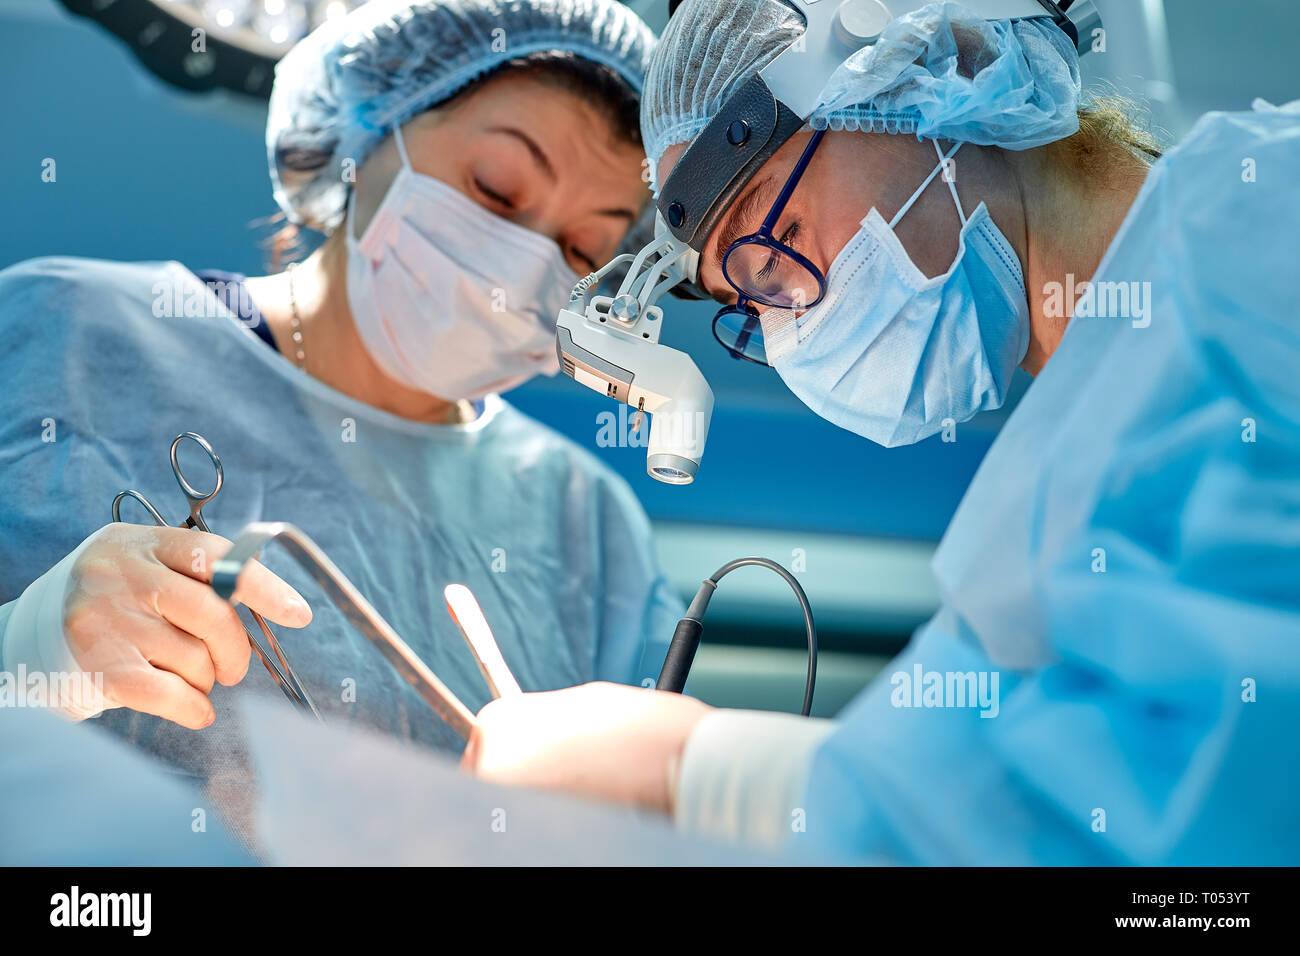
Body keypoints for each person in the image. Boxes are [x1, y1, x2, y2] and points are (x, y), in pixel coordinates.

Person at [460, 0, 1300, 864]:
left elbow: (1219, 802)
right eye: (748, 301)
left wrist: (701, 775)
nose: (788, 325)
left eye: (775, 231)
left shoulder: (1263, 224)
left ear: (938, 63)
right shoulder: (1053, 501)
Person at [0, 0, 679, 846]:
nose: (529, 262)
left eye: (583, 251)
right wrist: (25, 655)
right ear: (370, 135)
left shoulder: (586, 524)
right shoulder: (61, 332)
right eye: (496, 189)